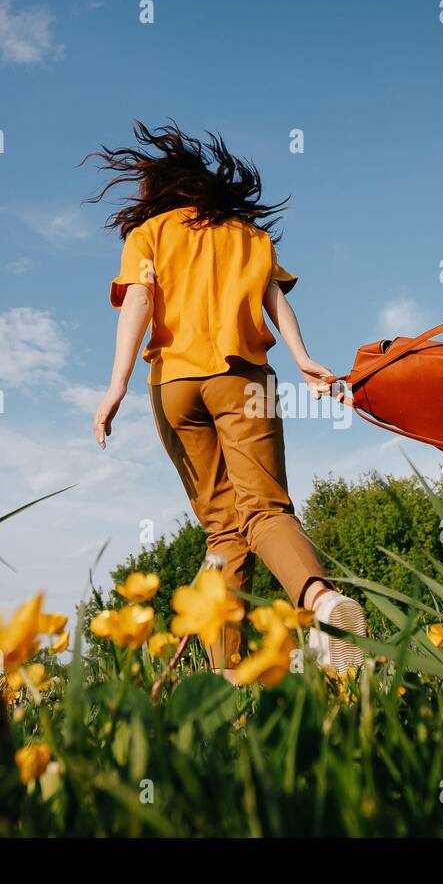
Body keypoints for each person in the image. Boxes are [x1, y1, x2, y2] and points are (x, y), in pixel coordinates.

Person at [86, 121, 366, 679]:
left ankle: (228, 676)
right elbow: (274, 301)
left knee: (224, 528)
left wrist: (115, 384)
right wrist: (303, 357)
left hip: (173, 386)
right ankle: (323, 606)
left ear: (164, 190)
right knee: (265, 509)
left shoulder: (149, 234)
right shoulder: (248, 235)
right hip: (244, 380)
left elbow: (139, 299)